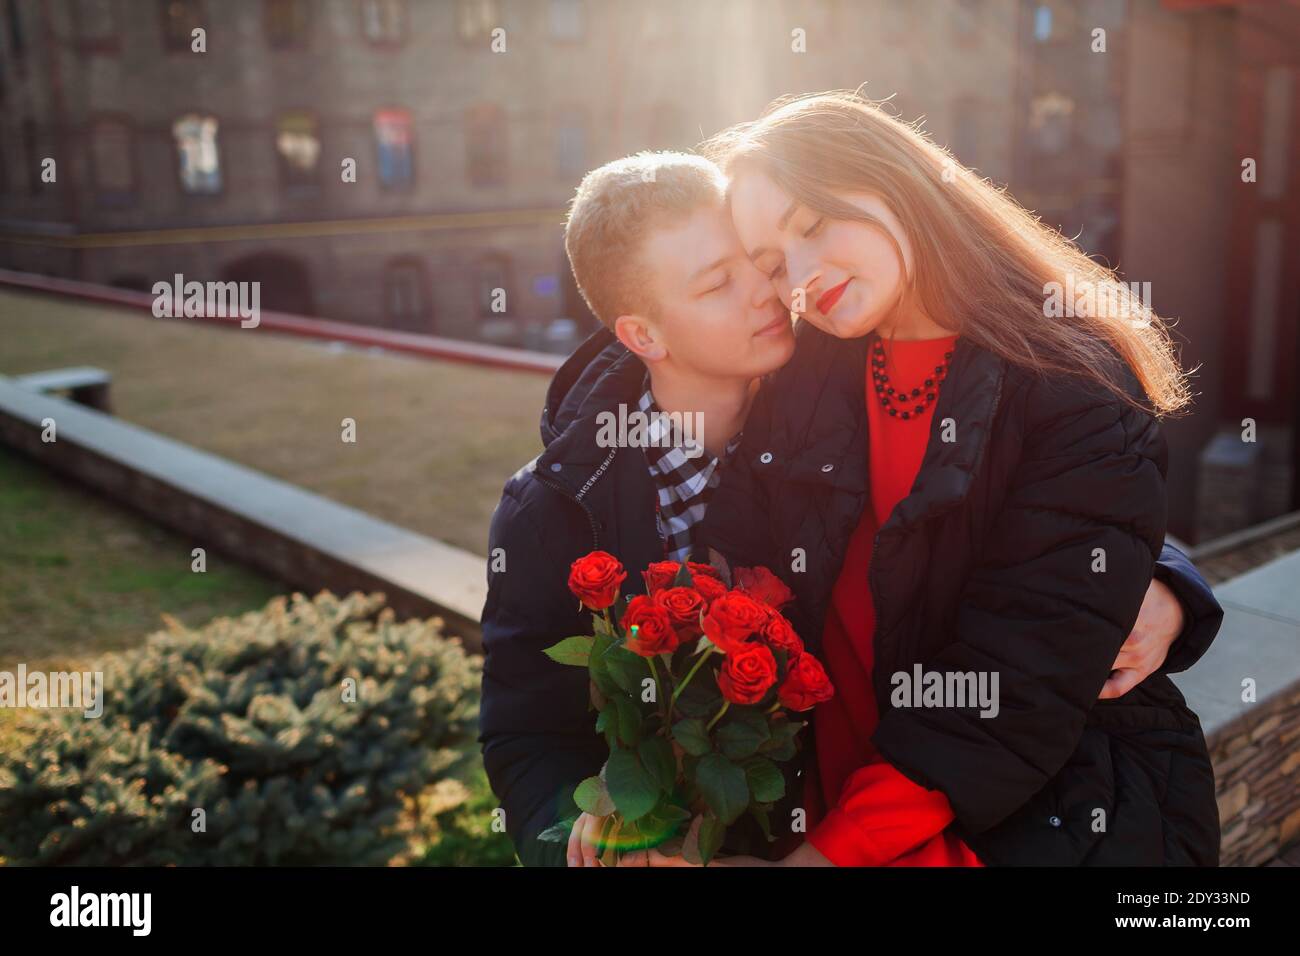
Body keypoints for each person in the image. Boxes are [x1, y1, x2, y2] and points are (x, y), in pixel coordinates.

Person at [477, 149, 1221, 868]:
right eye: (717, 285)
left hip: (950, 804)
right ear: (643, 333)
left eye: (761, 262)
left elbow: (1019, 501)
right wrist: (605, 834)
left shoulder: (838, 356)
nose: (774, 292)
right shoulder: (556, 510)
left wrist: (1162, 581)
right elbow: (527, 734)